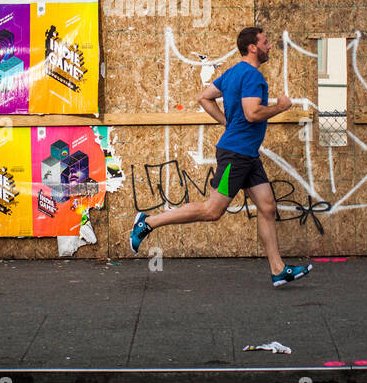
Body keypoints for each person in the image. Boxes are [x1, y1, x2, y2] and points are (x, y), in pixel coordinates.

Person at [130, 26, 312, 287]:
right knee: (212, 210)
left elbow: (204, 98)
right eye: (265, 42)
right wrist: (280, 108)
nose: (269, 47)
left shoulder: (232, 73)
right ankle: (147, 222)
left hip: (247, 155)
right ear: (253, 47)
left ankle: (278, 269)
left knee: (267, 206)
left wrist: (227, 122)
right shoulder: (252, 76)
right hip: (236, 157)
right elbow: (252, 114)